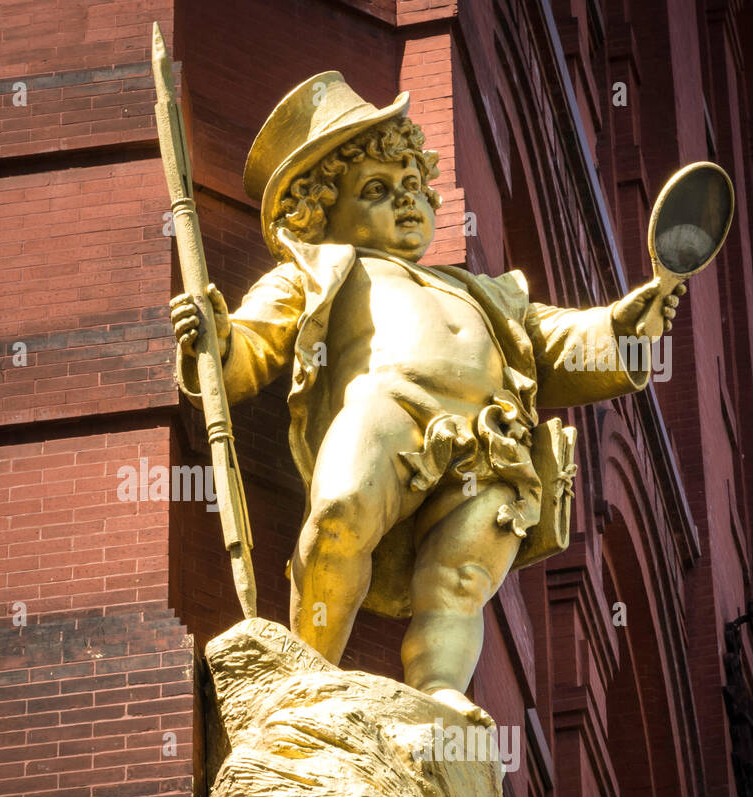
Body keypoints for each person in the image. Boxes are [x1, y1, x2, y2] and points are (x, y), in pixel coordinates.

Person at [170, 75, 683, 721]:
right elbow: (248, 348)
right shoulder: (320, 270)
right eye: (378, 191)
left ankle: (439, 688)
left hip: (493, 441)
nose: (407, 204)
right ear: (320, 211)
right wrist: (214, 342)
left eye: (413, 188)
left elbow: (561, 341)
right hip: (387, 407)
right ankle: (312, 674)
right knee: (338, 511)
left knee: (461, 578)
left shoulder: (485, 291)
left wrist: (625, 324)